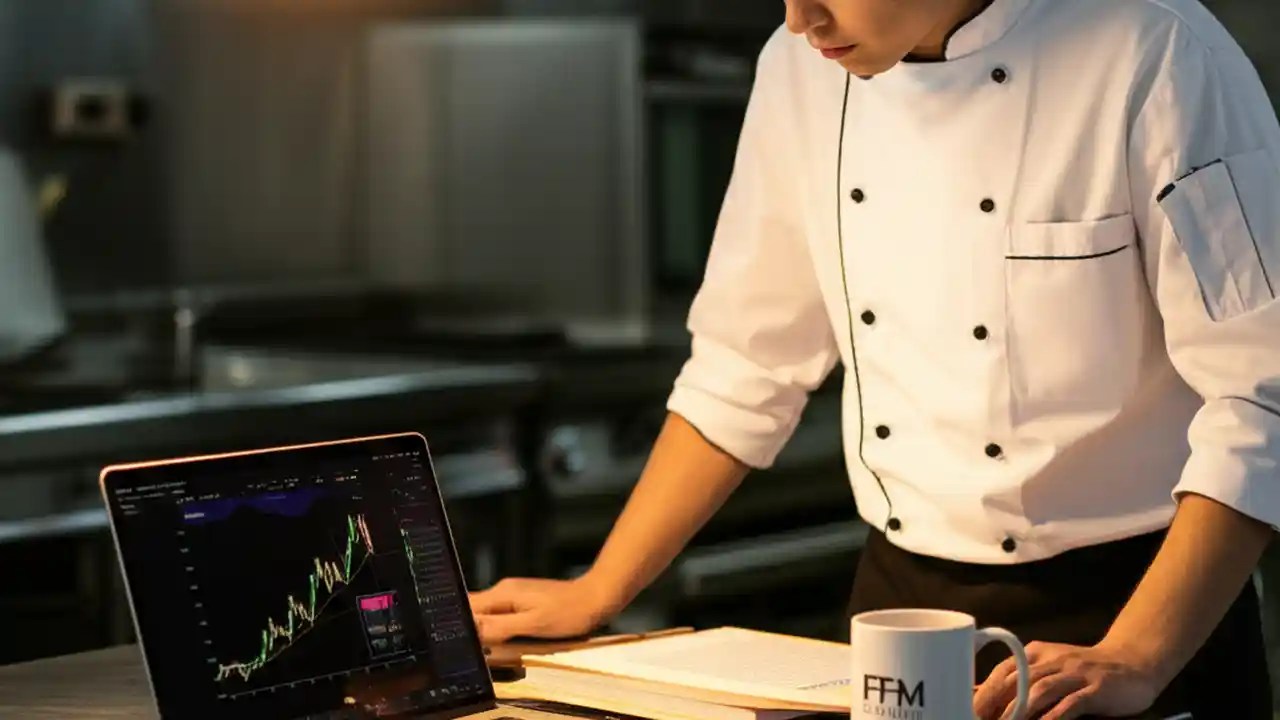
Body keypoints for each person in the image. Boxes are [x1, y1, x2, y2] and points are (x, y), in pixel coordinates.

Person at [469, 0, 1280, 717]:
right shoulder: (801, 70)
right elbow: (744, 365)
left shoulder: (1155, 51)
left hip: (1138, 604)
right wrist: (599, 590)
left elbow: (1261, 391)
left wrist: (1138, 653)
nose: (800, 19)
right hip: (900, 615)